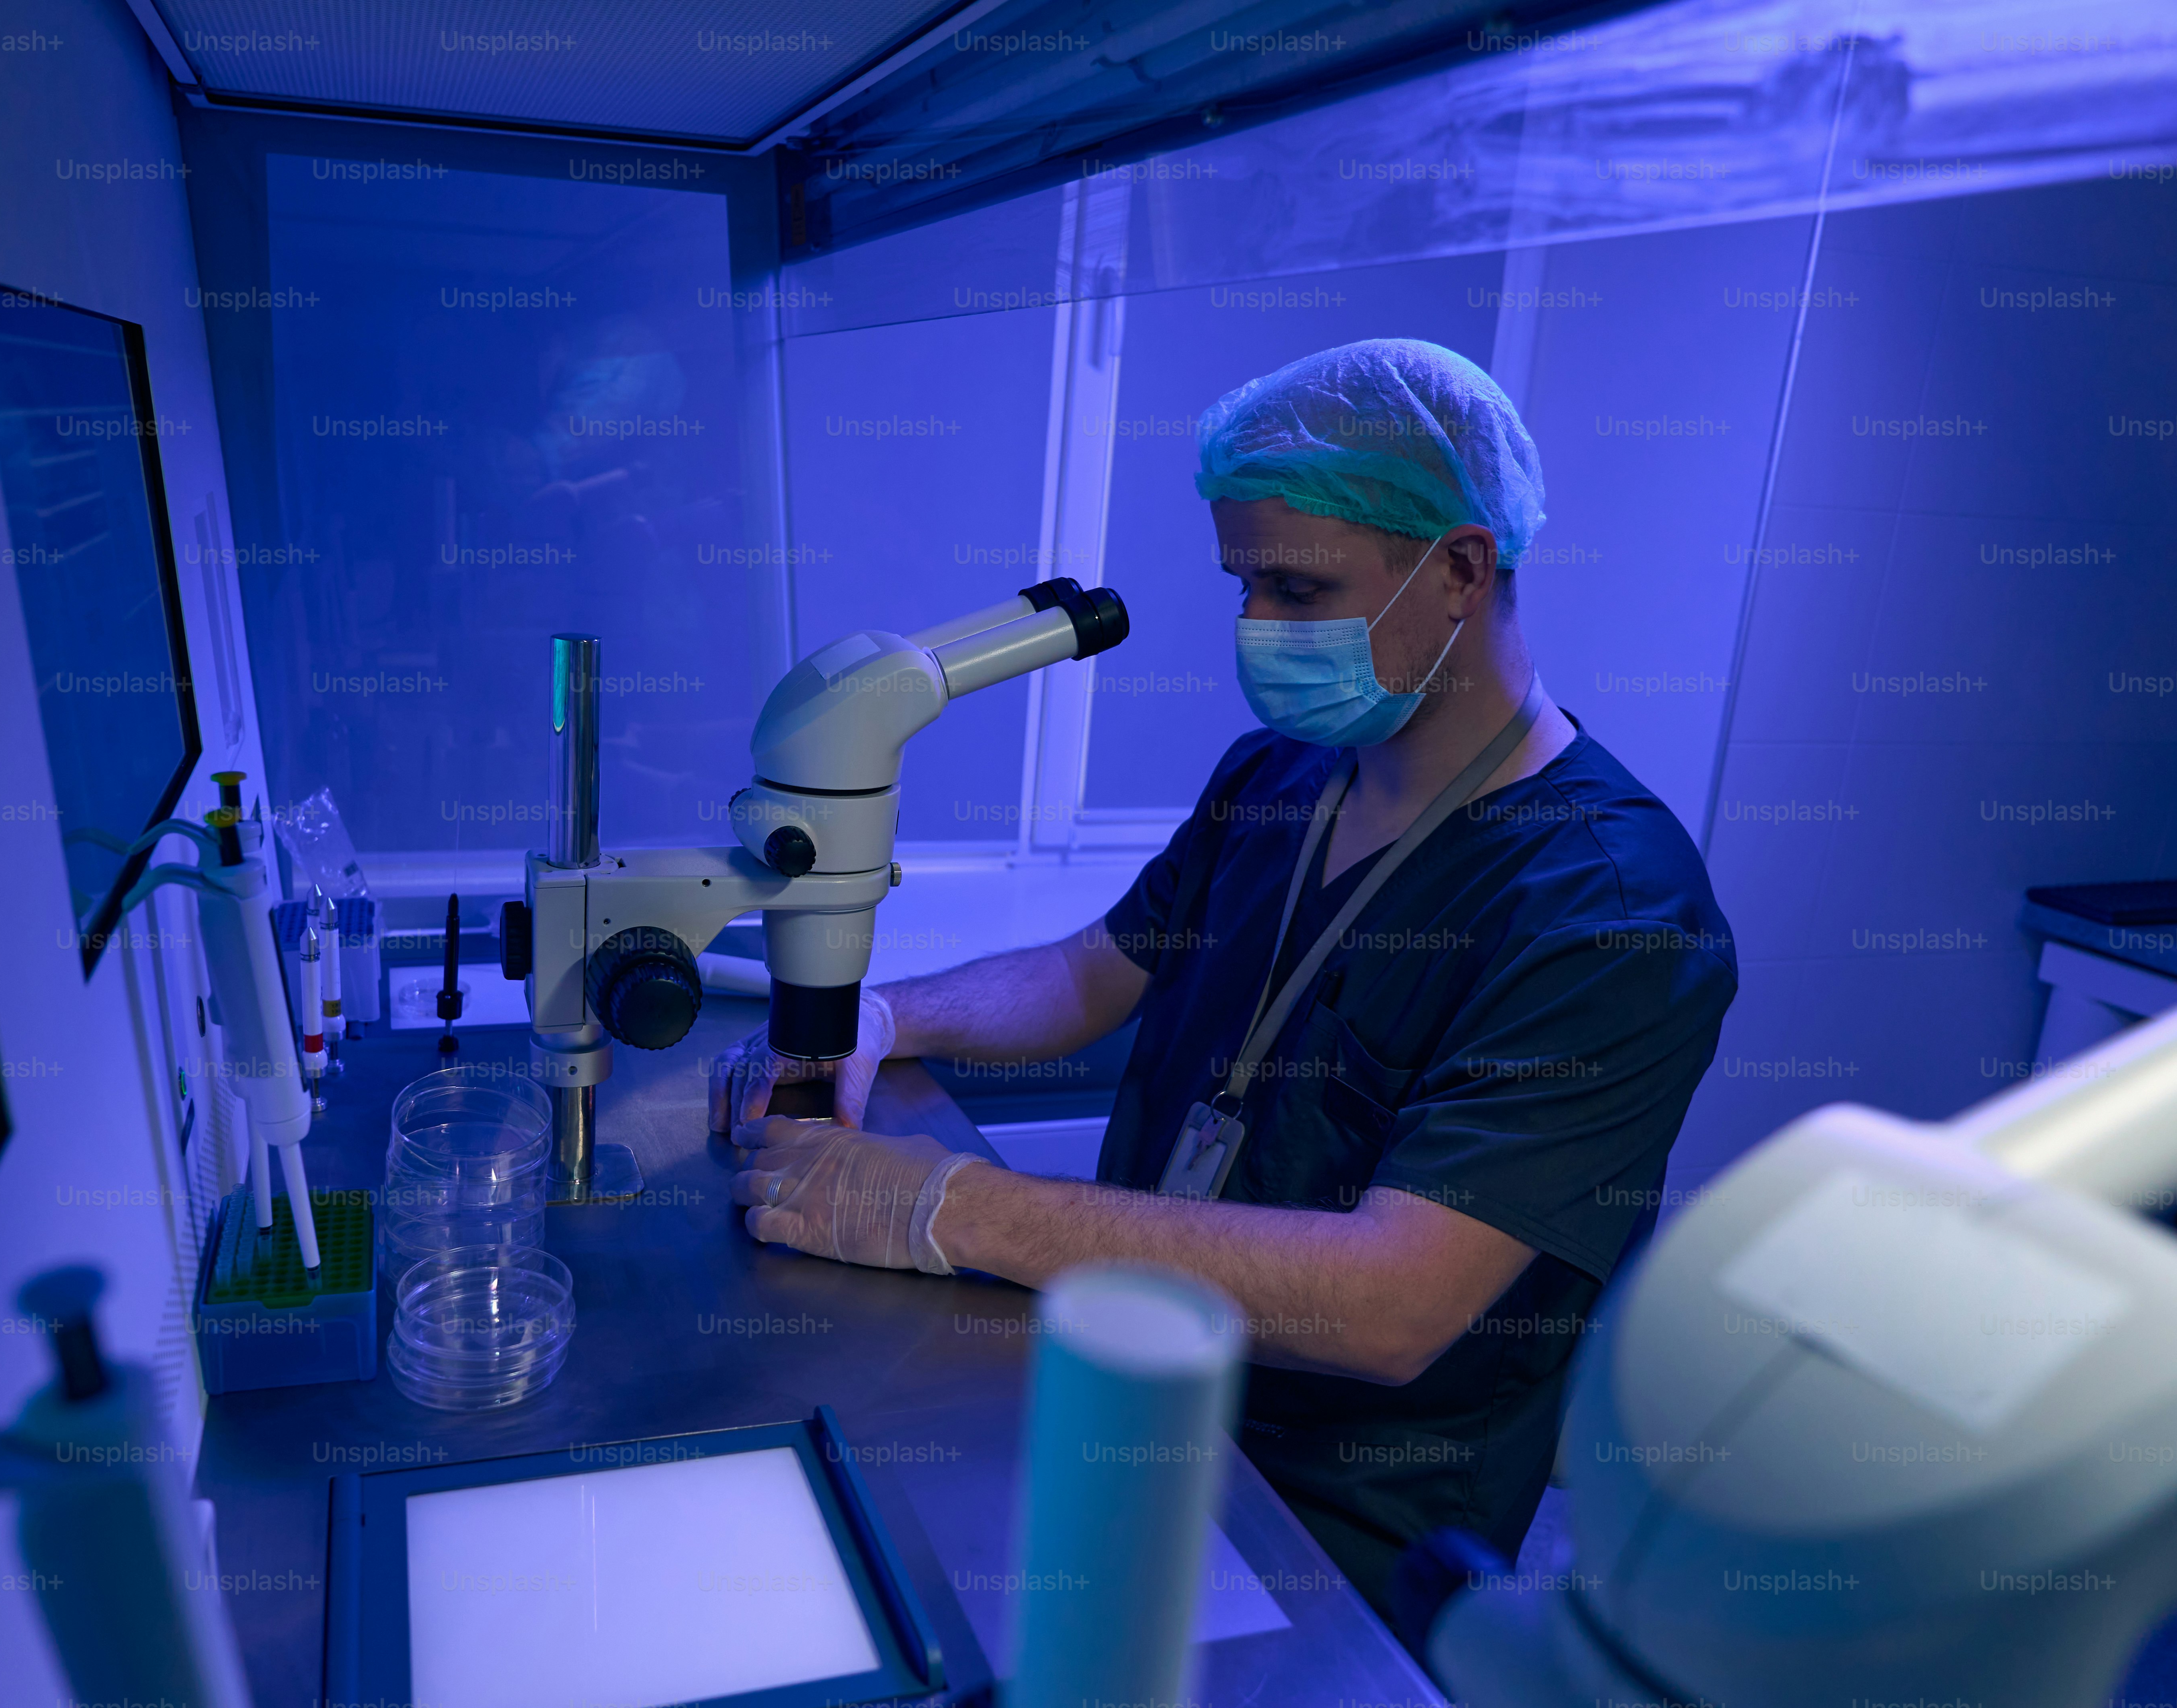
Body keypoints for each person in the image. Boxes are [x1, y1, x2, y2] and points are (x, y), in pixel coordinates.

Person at [710, 338, 1738, 1616]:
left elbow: (1394, 1299)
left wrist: (951, 1207)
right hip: (1118, 1400)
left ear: (1462, 570)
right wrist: (882, 1015)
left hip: (1332, 1524)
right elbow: (1093, 972)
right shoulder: (1279, 777)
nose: (1257, 628)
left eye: (1299, 589)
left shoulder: (1608, 912)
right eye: (1242, 585)